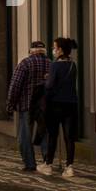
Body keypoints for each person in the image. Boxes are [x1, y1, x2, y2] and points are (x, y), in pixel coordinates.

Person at [5, 39, 50, 172]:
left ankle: (30, 164)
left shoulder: (25, 64)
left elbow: (15, 86)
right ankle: (47, 161)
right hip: (44, 106)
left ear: (31, 51)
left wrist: (10, 105)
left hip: (26, 105)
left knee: (25, 135)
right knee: (44, 133)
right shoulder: (50, 64)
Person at [39, 36, 79, 178]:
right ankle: (69, 166)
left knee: (53, 135)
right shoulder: (73, 65)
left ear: (61, 50)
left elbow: (50, 85)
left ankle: (48, 165)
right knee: (69, 137)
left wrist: (46, 79)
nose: (53, 50)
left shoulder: (55, 65)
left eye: (55, 47)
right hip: (71, 105)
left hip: (56, 105)